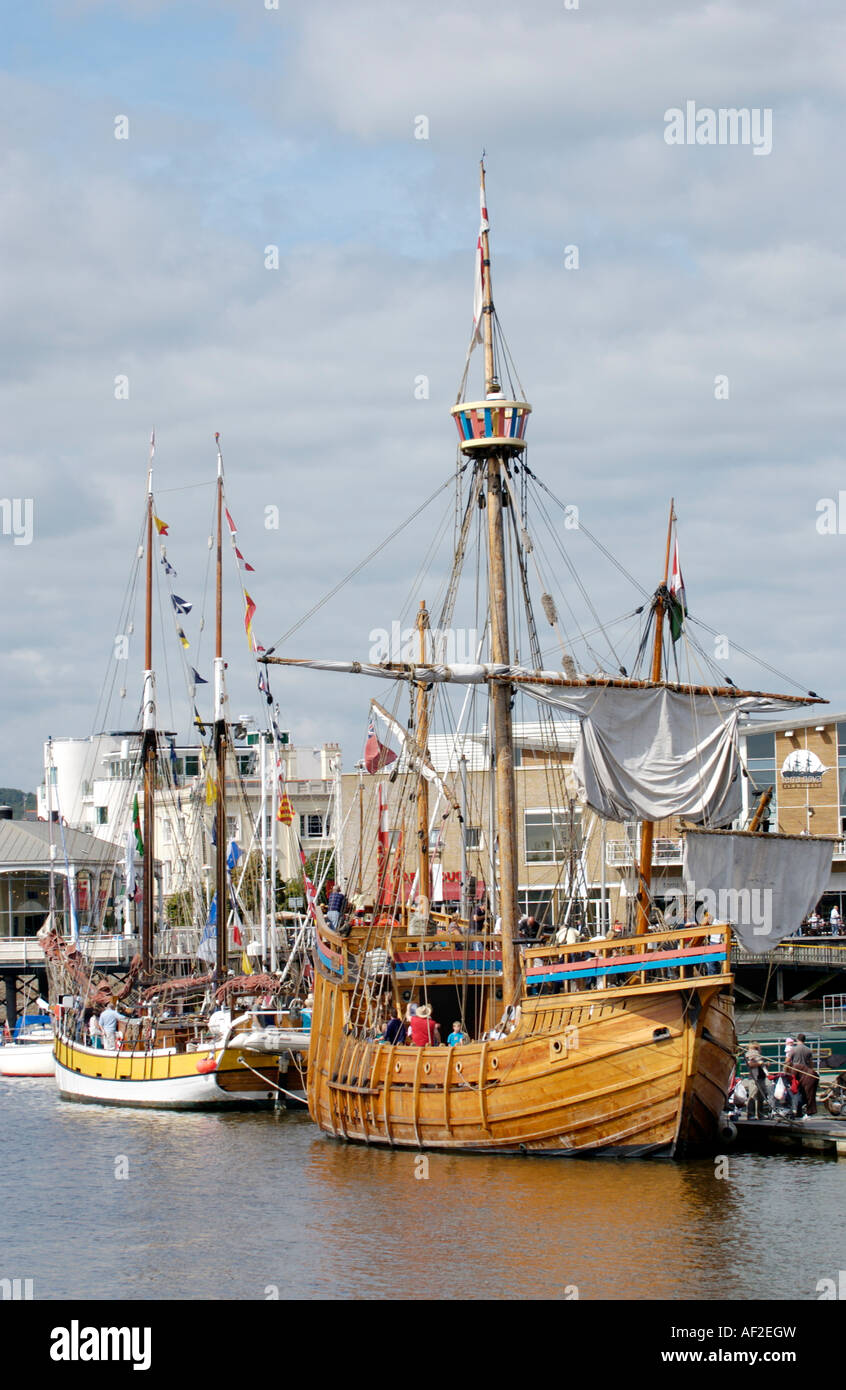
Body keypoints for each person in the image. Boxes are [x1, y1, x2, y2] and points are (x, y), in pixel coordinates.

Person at [788, 1033, 818, 1117]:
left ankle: (798, 1111)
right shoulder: (808, 1050)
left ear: (797, 1040)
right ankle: (808, 1111)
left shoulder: (793, 1050)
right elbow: (811, 1064)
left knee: (797, 1092)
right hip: (806, 1073)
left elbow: (787, 1060)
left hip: (796, 1073)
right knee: (807, 1093)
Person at [744, 1041, 769, 1119]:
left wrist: (766, 1065)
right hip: (754, 1079)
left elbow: (761, 1066)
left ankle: (760, 1114)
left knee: (761, 1097)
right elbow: (750, 1065)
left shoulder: (758, 1056)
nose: (757, 1050)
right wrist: (759, 1064)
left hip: (761, 1078)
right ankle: (751, 1114)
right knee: (752, 1096)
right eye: (756, 1048)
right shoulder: (749, 1056)